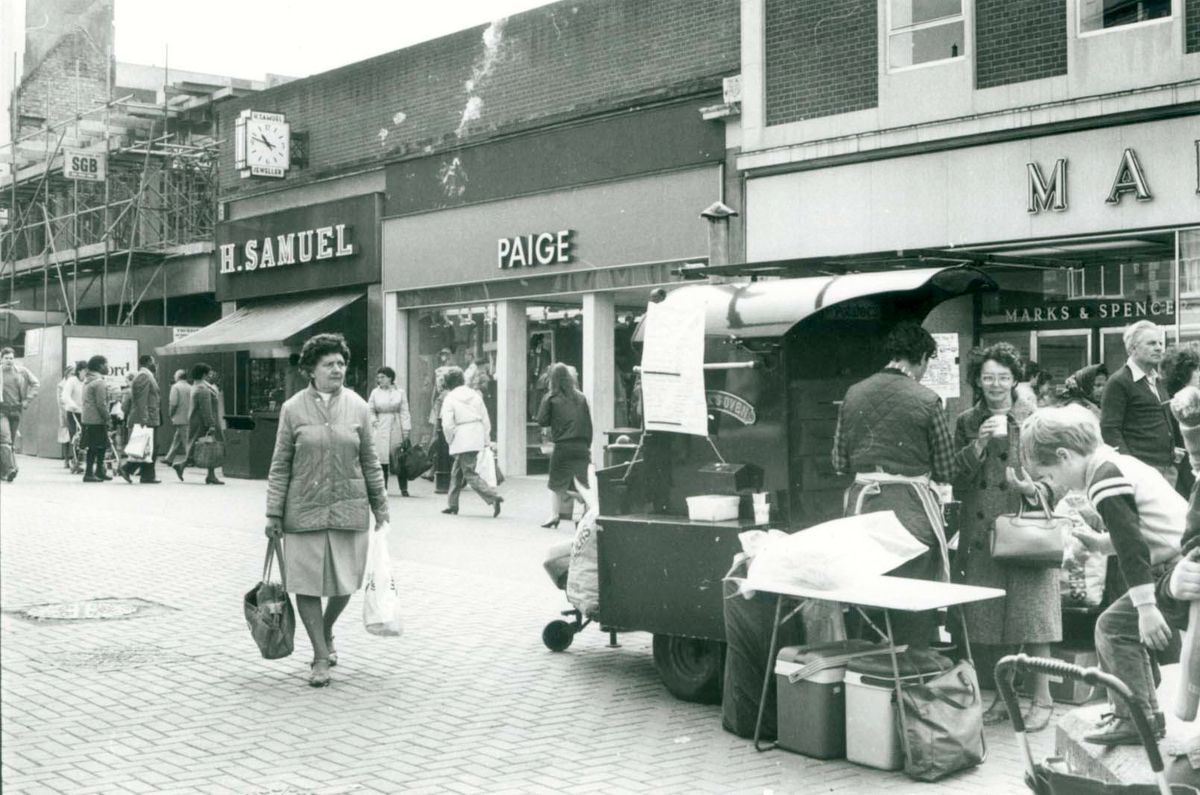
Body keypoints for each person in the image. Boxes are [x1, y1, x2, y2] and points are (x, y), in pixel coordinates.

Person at [1014, 405, 1185, 745]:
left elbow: (1134, 548)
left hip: (1179, 566)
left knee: (1113, 628)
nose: (1055, 484)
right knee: (1119, 628)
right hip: (1179, 558)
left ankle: (1135, 718)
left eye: (1049, 475)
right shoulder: (1118, 463)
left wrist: (1147, 609)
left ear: (1064, 456)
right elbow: (1138, 533)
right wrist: (1101, 544)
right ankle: (1142, 713)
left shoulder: (1102, 480)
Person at [265, 333, 389, 688]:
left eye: (341, 363)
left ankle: (327, 627)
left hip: (349, 508)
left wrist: (380, 506)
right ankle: (320, 655)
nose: (337, 369)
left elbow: (370, 461)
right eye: (329, 364)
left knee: (346, 582)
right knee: (305, 585)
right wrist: (273, 514)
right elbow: (279, 465)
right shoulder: (292, 409)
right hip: (302, 510)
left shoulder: (359, 407)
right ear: (311, 370)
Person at [950, 343, 1061, 731]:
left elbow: (1056, 474)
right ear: (977, 381)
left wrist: (1034, 490)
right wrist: (978, 446)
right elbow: (956, 477)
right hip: (983, 530)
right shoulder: (967, 420)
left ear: (1015, 380)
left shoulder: (1035, 418)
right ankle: (1004, 695)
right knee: (991, 618)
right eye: (987, 378)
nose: (995, 385)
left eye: (1003, 377)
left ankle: (1043, 699)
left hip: (1025, 523)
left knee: (1032, 615)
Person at [832, 322, 954, 647]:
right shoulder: (928, 400)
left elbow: (839, 462)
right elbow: (945, 468)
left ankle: (866, 675)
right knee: (913, 598)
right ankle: (910, 672)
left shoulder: (853, 393)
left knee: (866, 591)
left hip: (862, 510)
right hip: (910, 511)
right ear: (923, 357)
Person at [1101, 320, 1182, 485]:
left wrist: (1170, 451)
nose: (1159, 348)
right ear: (1132, 349)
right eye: (1152, 343)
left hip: (1167, 468)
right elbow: (1110, 430)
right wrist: (1130, 468)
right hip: (1143, 471)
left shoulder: (1156, 380)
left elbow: (1158, 420)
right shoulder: (1119, 382)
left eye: (1160, 343)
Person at [440, 366, 503, 517]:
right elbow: (485, 418)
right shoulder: (475, 395)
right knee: (457, 471)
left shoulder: (450, 398)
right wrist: (486, 439)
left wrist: (450, 439)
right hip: (476, 434)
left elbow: (447, 424)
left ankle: (493, 497)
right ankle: (452, 504)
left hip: (461, 436)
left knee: (468, 472)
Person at [536, 362, 593, 528]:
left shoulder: (551, 397)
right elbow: (588, 424)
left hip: (563, 446)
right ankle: (586, 509)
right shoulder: (581, 397)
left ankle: (554, 515)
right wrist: (586, 445)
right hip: (582, 445)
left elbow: (542, 420)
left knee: (555, 483)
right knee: (583, 482)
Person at [368, 366, 412, 496]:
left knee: (399, 456)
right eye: (378, 377)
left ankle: (403, 488)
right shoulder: (375, 392)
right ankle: (383, 488)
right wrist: (374, 421)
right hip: (380, 426)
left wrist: (406, 430)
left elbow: (405, 411)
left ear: (390, 378)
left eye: (383, 377)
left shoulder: (400, 392)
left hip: (396, 425)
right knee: (381, 458)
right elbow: (370, 409)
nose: (379, 379)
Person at [0, 346, 40, 482]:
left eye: (11, 358)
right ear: (1, 358)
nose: (9, 361)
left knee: (9, 442)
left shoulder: (21, 372)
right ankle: (11, 469)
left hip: (16, 410)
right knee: (5, 440)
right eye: (6, 358)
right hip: (1, 410)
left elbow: (36, 384)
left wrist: (28, 399)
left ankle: (3, 471)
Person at [120, 354, 161, 484]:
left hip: (149, 416)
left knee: (149, 446)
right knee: (146, 446)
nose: (155, 364)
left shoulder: (146, 375)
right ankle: (128, 468)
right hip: (147, 417)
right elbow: (141, 400)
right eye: (153, 361)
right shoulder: (144, 376)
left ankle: (147, 475)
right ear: (148, 362)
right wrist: (144, 419)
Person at [180, 362, 224, 485]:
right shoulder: (203, 389)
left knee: (205, 446)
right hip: (204, 422)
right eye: (209, 373)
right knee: (209, 447)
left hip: (198, 421)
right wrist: (211, 424)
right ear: (204, 374)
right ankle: (182, 465)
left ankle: (211, 475)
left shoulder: (197, 386)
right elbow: (206, 409)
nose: (211, 376)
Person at [80, 356, 112, 482]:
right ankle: (90, 473)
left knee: (96, 446)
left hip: (88, 418)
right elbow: (101, 404)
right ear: (100, 366)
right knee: (97, 446)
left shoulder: (88, 380)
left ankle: (97, 471)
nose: (108, 367)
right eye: (106, 364)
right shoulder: (99, 382)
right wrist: (108, 418)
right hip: (97, 419)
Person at [164, 369, 192, 476]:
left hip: (179, 417)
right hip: (188, 417)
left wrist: (171, 414)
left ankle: (189, 459)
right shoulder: (190, 387)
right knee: (178, 438)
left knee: (185, 439)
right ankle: (169, 458)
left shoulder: (175, 387)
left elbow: (173, 403)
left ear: (178, 377)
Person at [57, 363, 83, 473]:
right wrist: (64, 414)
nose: (73, 375)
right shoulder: (62, 385)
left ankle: (74, 459)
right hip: (66, 412)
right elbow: (60, 401)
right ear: (66, 374)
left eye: (74, 373)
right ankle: (67, 459)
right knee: (66, 437)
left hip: (77, 411)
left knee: (74, 436)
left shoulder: (78, 383)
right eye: (71, 373)